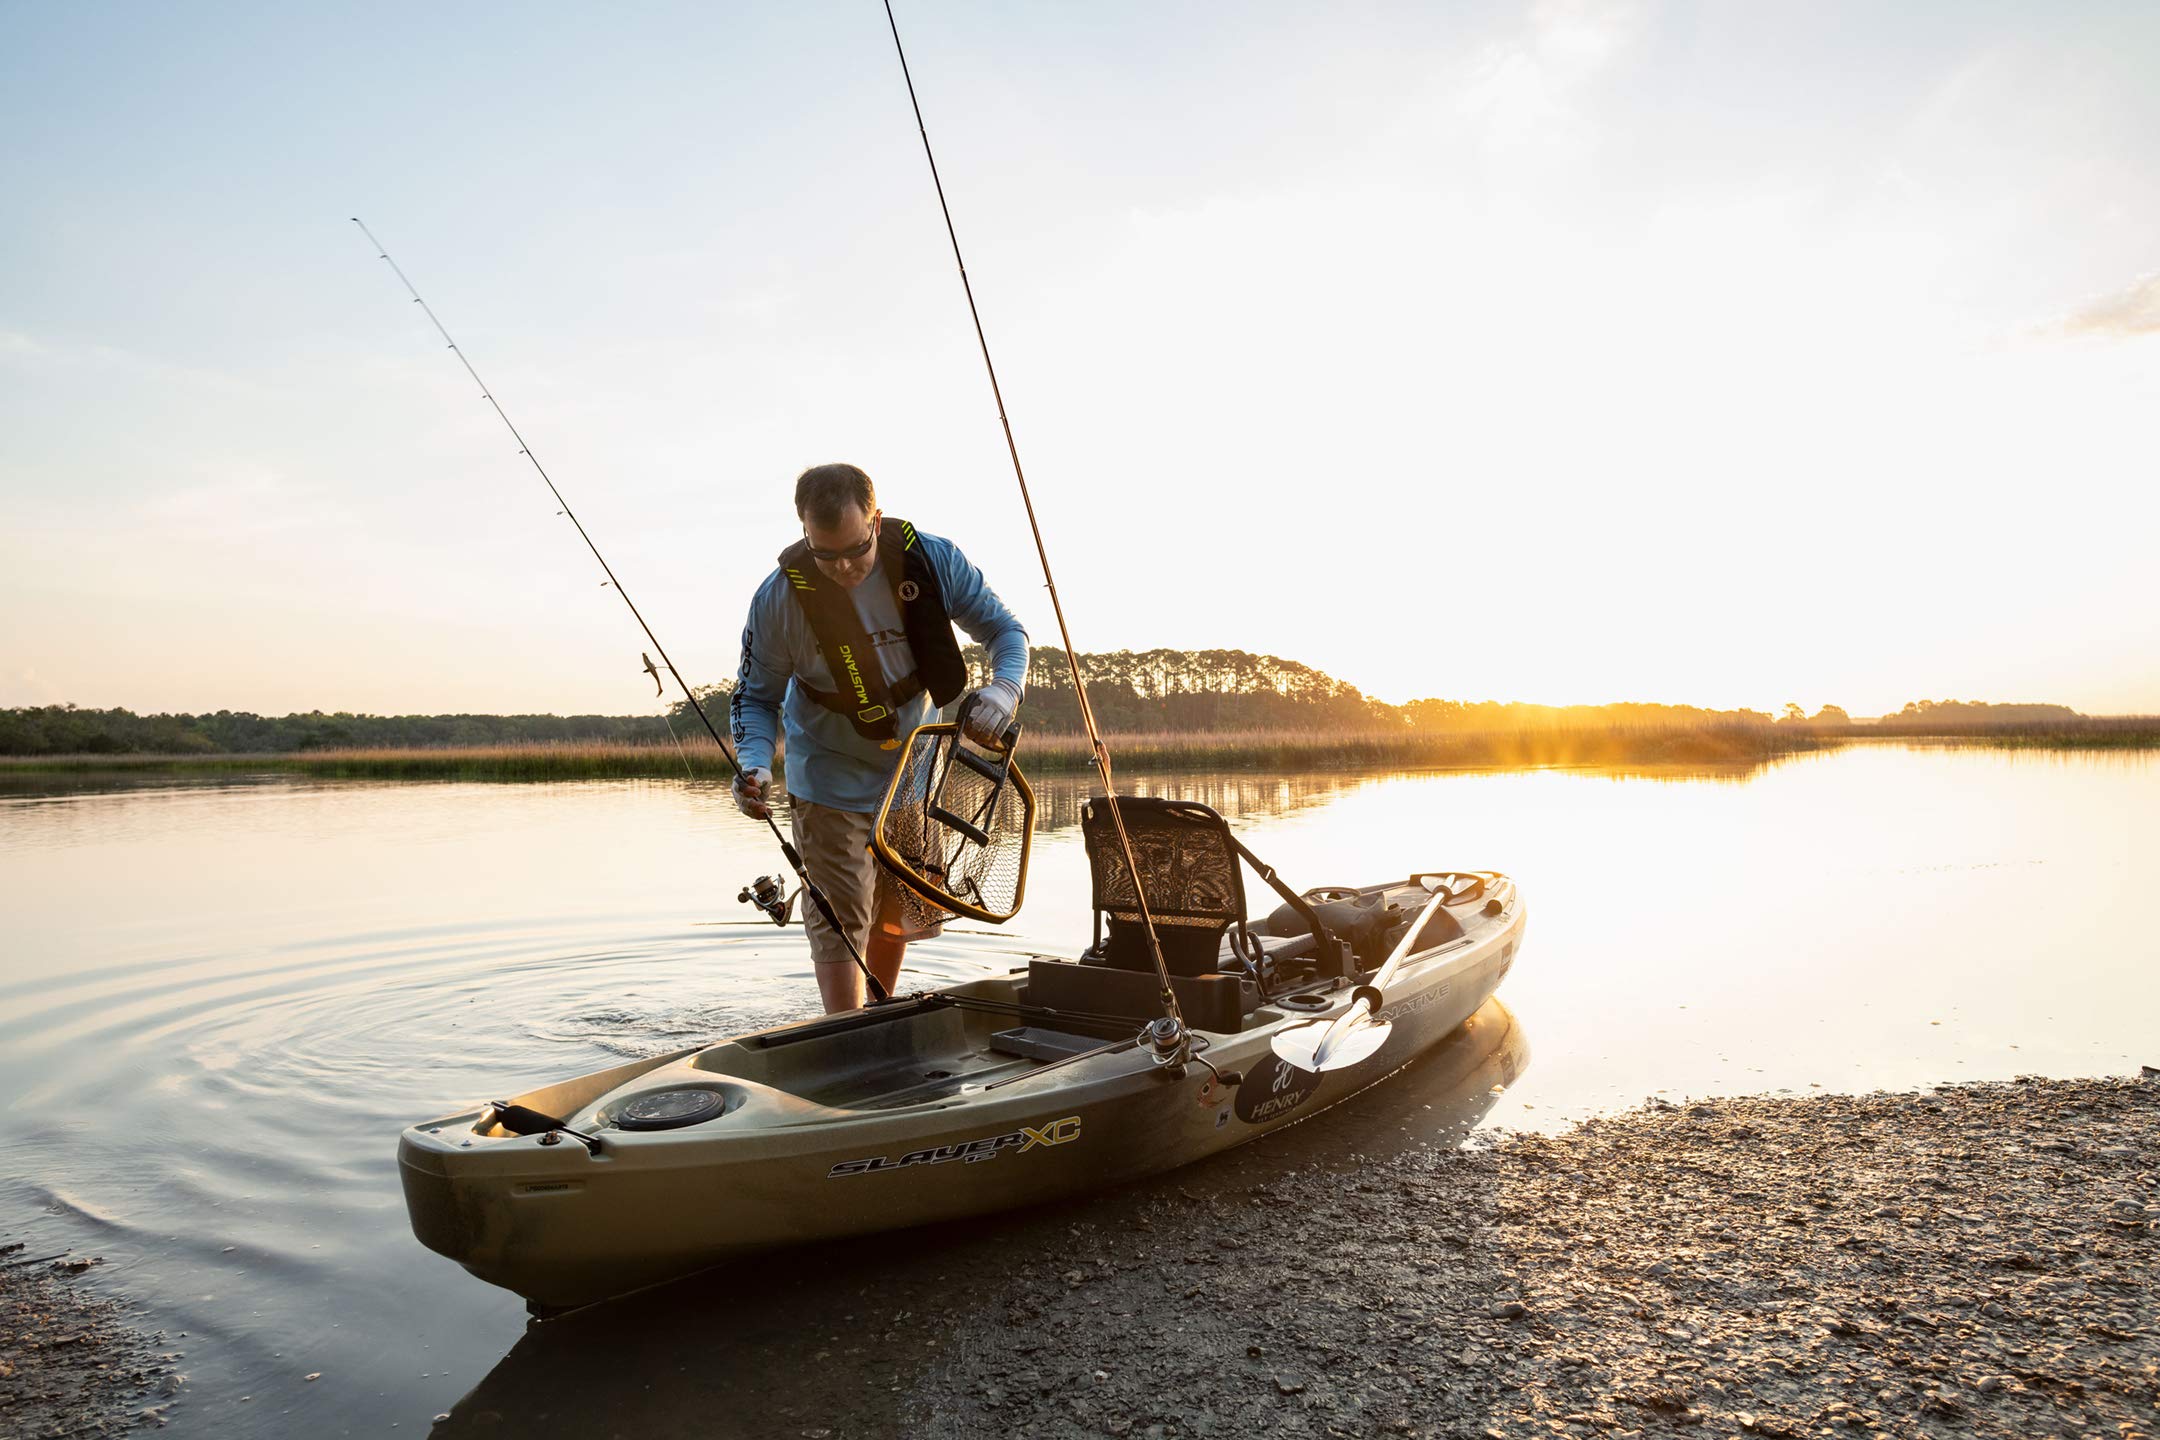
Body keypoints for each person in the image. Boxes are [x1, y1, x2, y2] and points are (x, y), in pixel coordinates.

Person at [729, 463, 1029, 1013]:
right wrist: (755, 765)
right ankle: (843, 1030)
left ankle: (878, 1015)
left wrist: (1003, 691)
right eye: (825, 554)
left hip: (913, 775)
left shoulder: (932, 560)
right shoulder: (778, 600)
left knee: (898, 911)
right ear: (804, 533)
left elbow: (1005, 632)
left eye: (855, 549)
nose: (842, 567)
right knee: (842, 917)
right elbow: (754, 697)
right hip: (827, 773)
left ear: (877, 519)